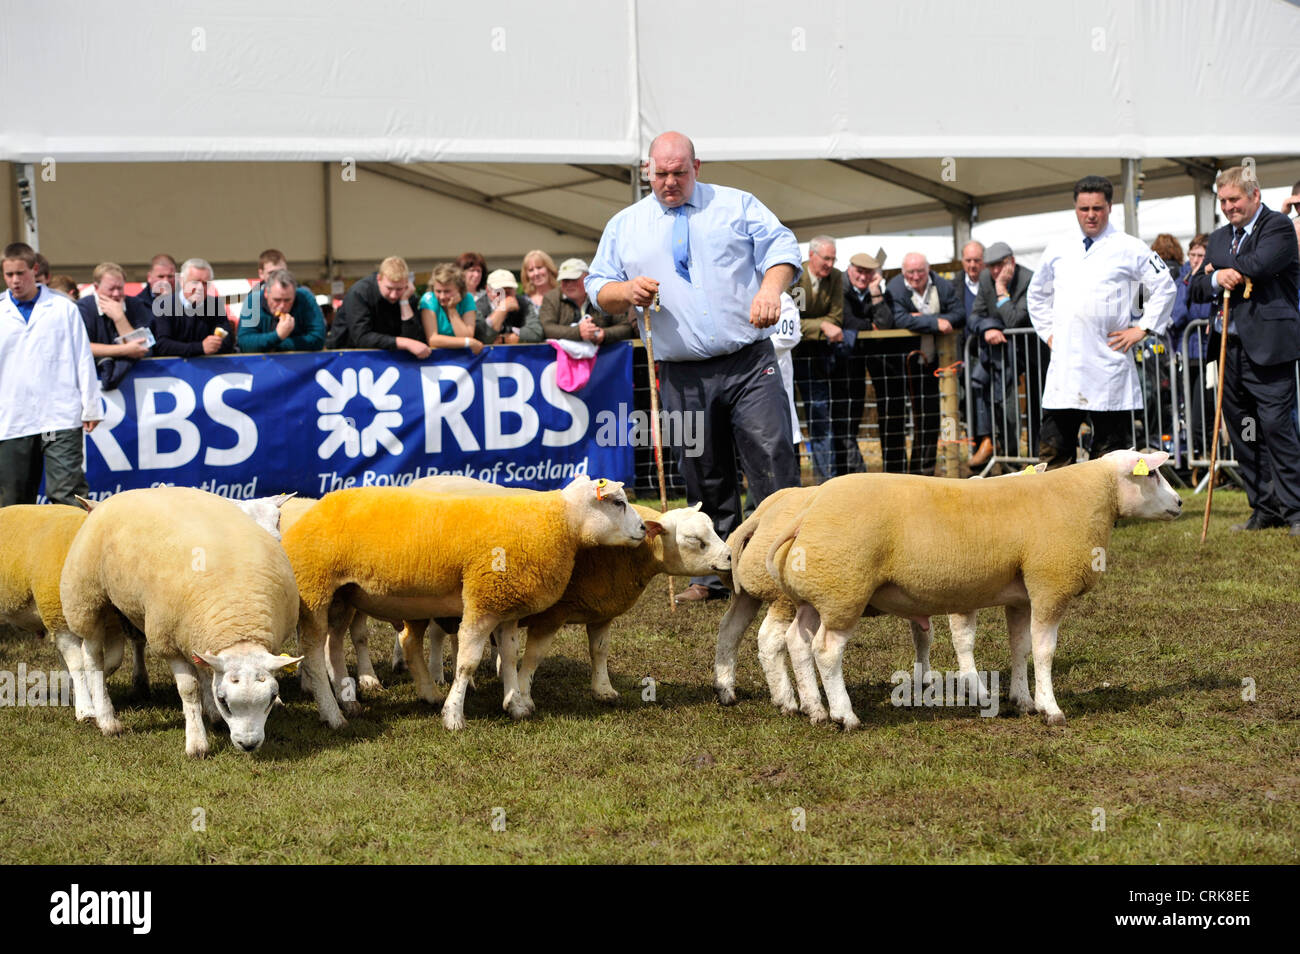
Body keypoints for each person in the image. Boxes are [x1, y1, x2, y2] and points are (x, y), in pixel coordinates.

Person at [586, 130, 801, 603]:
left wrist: (771, 290)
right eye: (660, 173)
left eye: (679, 172)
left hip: (748, 361)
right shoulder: (626, 224)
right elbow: (598, 285)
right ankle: (714, 575)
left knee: (772, 457)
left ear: (697, 167)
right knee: (704, 472)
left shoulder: (737, 205)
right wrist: (626, 293)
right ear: (647, 171)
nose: (670, 182)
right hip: (679, 371)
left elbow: (784, 249)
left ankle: (785, 565)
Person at [1028, 175, 1176, 468]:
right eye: (1084, 209)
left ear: (1109, 207)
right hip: (1066, 366)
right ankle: (1058, 513)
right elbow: (1036, 294)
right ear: (1075, 208)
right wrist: (1048, 333)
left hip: (1109, 363)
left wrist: (1142, 328)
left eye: (1097, 208)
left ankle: (1108, 513)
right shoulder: (1058, 247)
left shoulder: (1129, 247)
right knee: (1055, 451)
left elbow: (1165, 286)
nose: (1091, 215)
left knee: (1109, 456)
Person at [1190, 165, 1300, 533]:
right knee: (1245, 431)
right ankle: (1263, 507)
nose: (1228, 207)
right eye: (1223, 201)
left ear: (1255, 195)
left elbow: (1260, 264)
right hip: (1228, 350)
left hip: (1269, 349)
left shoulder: (1278, 227)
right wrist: (1214, 276)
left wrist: (1217, 271)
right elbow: (1193, 288)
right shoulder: (1220, 238)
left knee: (1276, 428)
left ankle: (1296, 511)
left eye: (1234, 199)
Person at [0, 242, 102, 507]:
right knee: (13, 501)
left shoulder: (63, 308)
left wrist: (91, 406)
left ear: (34, 270)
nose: (15, 281)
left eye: (20, 273)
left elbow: (83, 356)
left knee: (66, 494)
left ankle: (73, 549)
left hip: (58, 417)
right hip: (12, 419)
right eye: (9, 275)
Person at [885, 252, 962, 475]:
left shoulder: (941, 285)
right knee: (895, 420)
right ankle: (895, 475)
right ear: (903, 272)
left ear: (928, 269)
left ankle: (923, 471)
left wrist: (919, 319)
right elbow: (898, 319)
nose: (916, 276)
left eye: (920, 271)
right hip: (901, 367)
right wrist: (934, 321)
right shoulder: (896, 288)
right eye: (911, 272)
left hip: (932, 365)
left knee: (929, 419)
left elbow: (959, 314)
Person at [967, 242, 1036, 466]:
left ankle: (1037, 459)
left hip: (1031, 354)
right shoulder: (986, 279)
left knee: (1035, 408)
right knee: (1003, 406)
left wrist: (1001, 290)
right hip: (1000, 357)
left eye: (999, 266)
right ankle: (1010, 461)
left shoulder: (1028, 279)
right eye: (991, 266)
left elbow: (1015, 319)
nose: (995, 271)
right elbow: (974, 316)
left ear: (1011, 262)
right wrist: (989, 328)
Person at [790, 236, 845, 480]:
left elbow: (837, 317)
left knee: (820, 416)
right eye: (826, 258)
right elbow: (787, 319)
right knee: (786, 419)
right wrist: (820, 325)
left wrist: (821, 325)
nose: (830, 263)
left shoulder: (836, 278)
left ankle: (825, 480)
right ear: (811, 256)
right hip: (787, 356)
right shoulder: (794, 276)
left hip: (816, 358)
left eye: (833, 258)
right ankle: (791, 478)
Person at [841, 251, 894, 473]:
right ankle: (852, 472)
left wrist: (875, 294)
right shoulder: (840, 289)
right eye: (859, 272)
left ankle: (866, 471)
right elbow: (845, 319)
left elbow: (886, 323)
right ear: (850, 269)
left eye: (868, 273)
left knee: (868, 411)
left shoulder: (878, 291)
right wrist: (868, 326)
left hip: (870, 360)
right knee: (847, 417)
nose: (863, 277)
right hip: (845, 362)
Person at [326, 256, 429, 357]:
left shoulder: (408, 295)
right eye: (389, 288)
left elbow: (413, 341)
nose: (393, 295)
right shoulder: (360, 292)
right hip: (346, 356)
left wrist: (404, 302)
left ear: (407, 283)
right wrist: (404, 343)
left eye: (399, 289)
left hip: (388, 359)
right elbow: (361, 337)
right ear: (379, 279)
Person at [1170, 235, 1216, 459]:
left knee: (1204, 414)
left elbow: (1203, 313)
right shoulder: (1183, 278)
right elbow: (1177, 315)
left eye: (1201, 255)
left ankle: (1210, 457)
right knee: (1190, 412)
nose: (1196, 260)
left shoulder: (1210, 277)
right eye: (1193, 255)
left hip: (1209, 355)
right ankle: (1199, 458)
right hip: (1186, 353)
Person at [77, 262, 154, 388]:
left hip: (136, 385)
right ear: (96, 288)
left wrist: (120, 318)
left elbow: (144, 349)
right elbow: (82, 347)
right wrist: (125, 350)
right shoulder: (83, 308)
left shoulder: (136, 305)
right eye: (111, 289)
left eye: (120, 288)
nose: (116, 294)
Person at [152, 257, 237, 357]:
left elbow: (227, 342)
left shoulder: (215, 306)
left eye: (205, 283)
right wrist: (200, 347)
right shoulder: (164, 305)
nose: (200, 288)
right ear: (182, 282)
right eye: (195, 282)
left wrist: (214, 345)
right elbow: (162, 345)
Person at [540, 259, 636, 344]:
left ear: (587, 277)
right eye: (565, 280)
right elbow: (547, 328)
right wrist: (578, 332)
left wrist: (604, 334)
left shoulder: (602, 295)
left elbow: (626, 326)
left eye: (574, 279)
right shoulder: (551, 298)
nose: (569, 284)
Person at [237, 267, 326, 352]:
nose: (282, 305)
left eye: (288, 300)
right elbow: (245, 344)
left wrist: (275, 344)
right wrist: (278, 335)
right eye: (277, 300)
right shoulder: (253, 300)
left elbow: (318, 339)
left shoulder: (305, 298)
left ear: (295, 294)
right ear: (266, 294)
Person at [418, 263, 483, 355]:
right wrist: (467, 342)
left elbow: (466, 336)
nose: (442, 296)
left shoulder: (467, 298)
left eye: (447, 291)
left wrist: (452, 310)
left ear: (459, 289)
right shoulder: (428, 299)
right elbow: (433, 340)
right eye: (438, 291)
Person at [478, 268, 544, 344]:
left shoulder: (523, 303)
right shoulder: (479, 306)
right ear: (488, 291)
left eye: (508, 292)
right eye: (499, 292)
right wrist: (501, 310)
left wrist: (506, 338)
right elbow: (483, 337)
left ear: (514, 291)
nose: (504, 297)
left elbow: (536, 332)